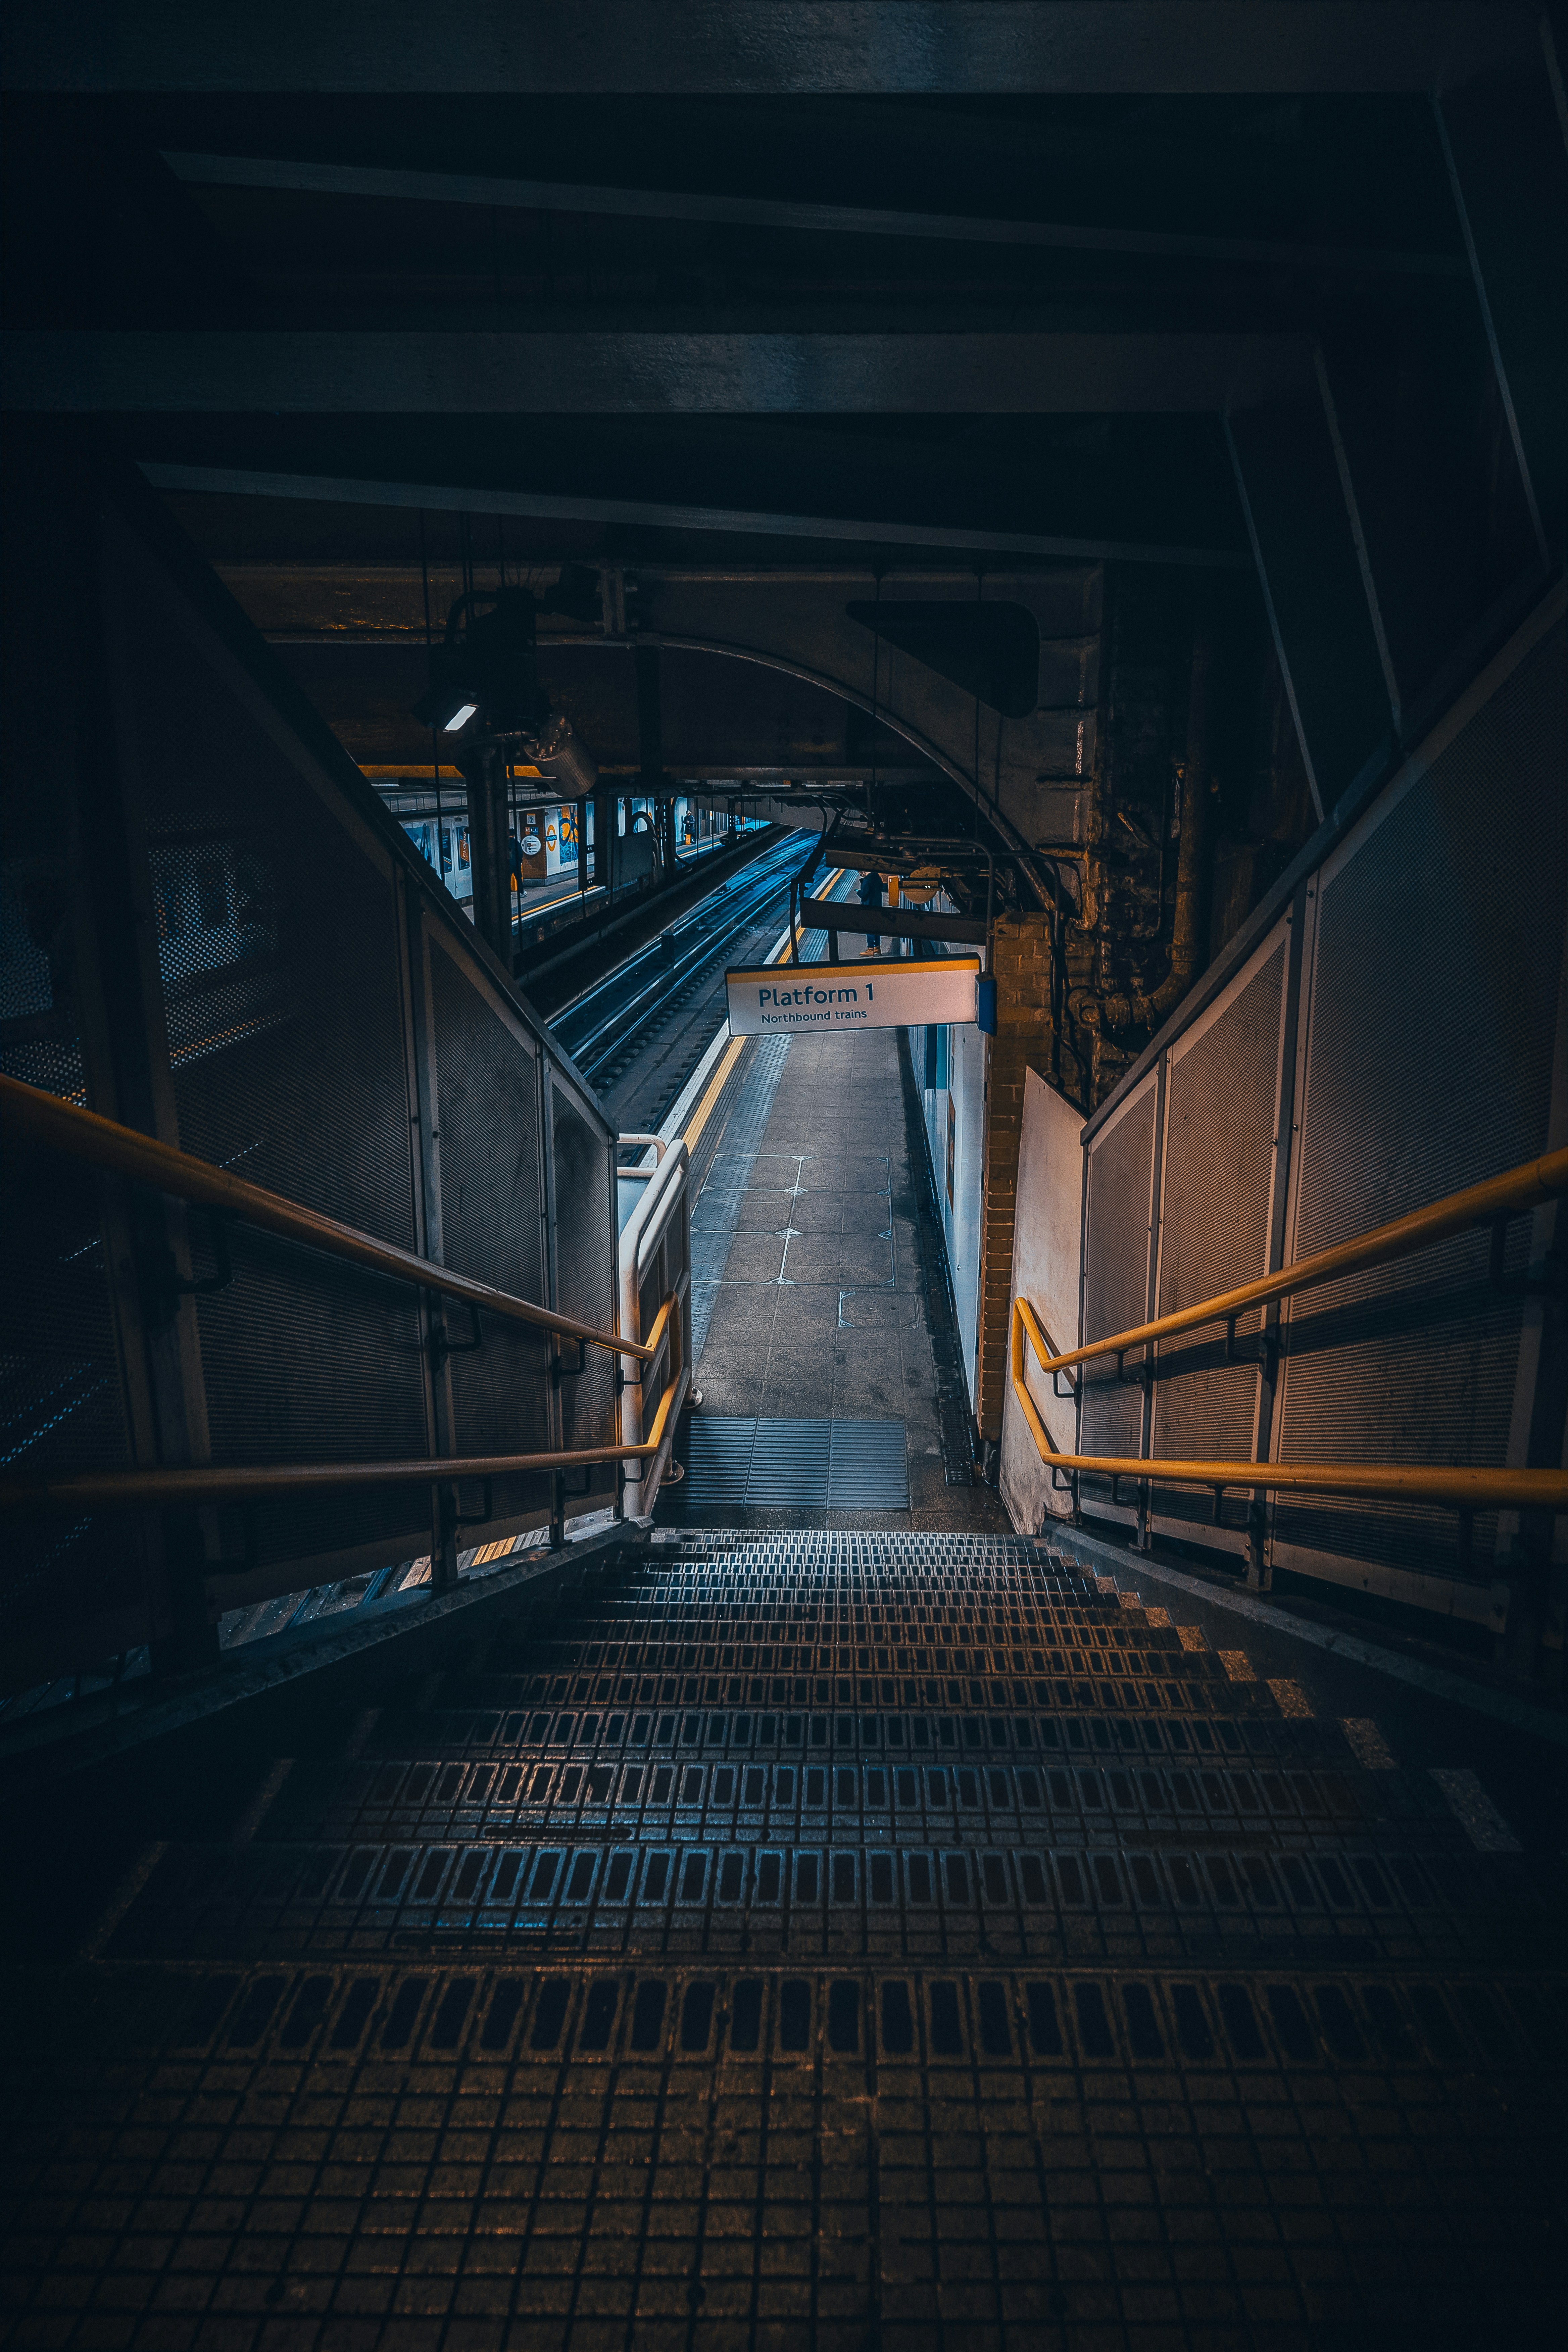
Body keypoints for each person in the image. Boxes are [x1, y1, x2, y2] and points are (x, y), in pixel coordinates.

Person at [860, 867, 885, 953]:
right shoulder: (877, 877)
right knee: (876, 927)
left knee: (869, 928)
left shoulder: (868, 880)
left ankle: (870, 949)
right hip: (877, 906)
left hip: (869, 907)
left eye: (860, 873)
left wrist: (858, 892)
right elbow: (882, 888)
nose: (860, 875)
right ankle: (878, 948)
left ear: (864, 871)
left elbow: (864, 895)